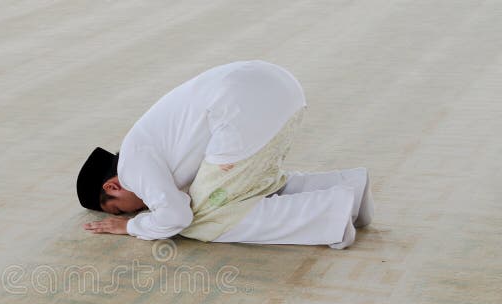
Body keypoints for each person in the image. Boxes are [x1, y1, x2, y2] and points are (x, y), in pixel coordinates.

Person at [76, 59, 374, 249]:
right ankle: (353, 189)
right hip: (280, 90)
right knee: (242, 189)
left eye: (122, 209)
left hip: (241, 109)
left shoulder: (132, 167)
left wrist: (131, 226)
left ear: (112, 186)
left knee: (205, 218)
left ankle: (331, 211)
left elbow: (176, 216)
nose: (139, 209)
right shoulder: (145, 144)